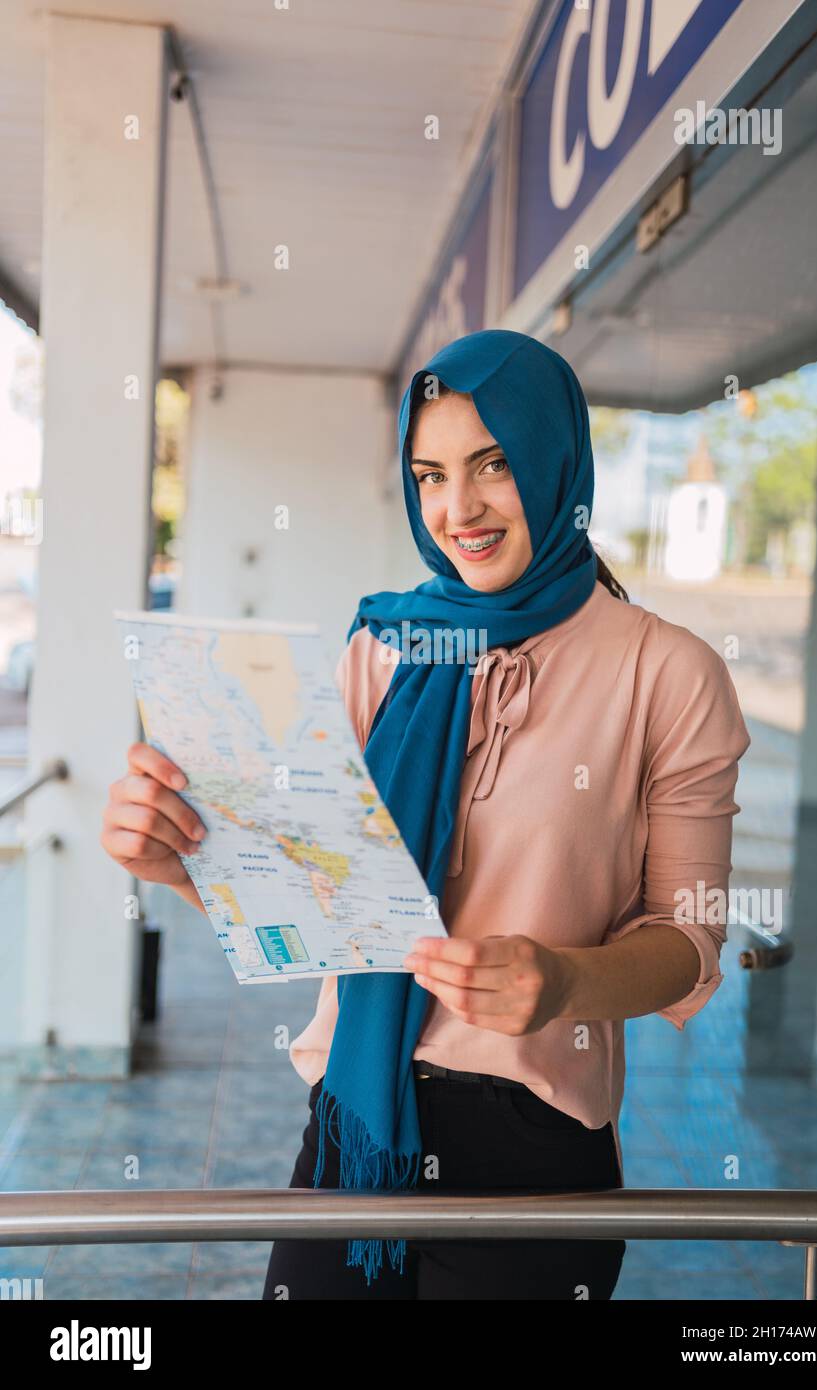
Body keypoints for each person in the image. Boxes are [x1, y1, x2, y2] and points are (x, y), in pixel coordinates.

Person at [101, 329, 751, 1301]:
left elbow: (688, 946)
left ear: (553, 455)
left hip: (532, 1154)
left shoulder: (667, 673)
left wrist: (564, 981)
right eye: (429, 472)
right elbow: (321, 906)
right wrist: (183, 865)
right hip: (350, 1124)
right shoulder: (384, 644)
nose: (457, 508)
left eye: (492, 465)